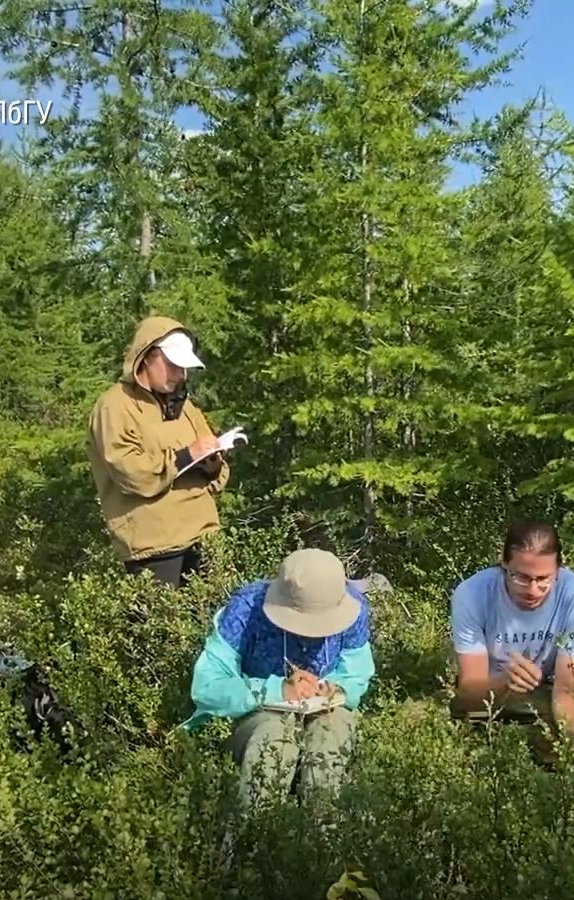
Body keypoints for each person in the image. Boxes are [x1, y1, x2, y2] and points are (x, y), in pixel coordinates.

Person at [189, 548, 374, 810]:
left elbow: (357, 673)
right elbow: (208, 687)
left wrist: (335, 688)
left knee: (330, 733)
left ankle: (324, 826)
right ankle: (254, 828)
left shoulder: (354, 609)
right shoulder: (246, 611)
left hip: (325, 712)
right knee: (274, 737)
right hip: (258, 718)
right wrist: (276, 690)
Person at [88, 315, 230, 586]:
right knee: (161, 615)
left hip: (204, 535)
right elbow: (131, 475)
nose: (181, 375)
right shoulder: (114, 407)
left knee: (215, 611)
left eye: (184, 367)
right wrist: (185, 457)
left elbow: (217, 477)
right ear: (146, 356)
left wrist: (212, 465)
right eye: (173, 365)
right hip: (153, 547)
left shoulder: (186, 407)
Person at [449, 521, 574, 753]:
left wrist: (573, 735)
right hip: (488, 694)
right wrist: (504, 682)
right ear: (504, 563)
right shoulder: (472, 594)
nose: (532, 590)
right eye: (521, 577)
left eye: (544, 579)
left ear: (559, 569)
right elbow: (470, 692)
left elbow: (566, 690)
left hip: (545, 694)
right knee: (431, 718)